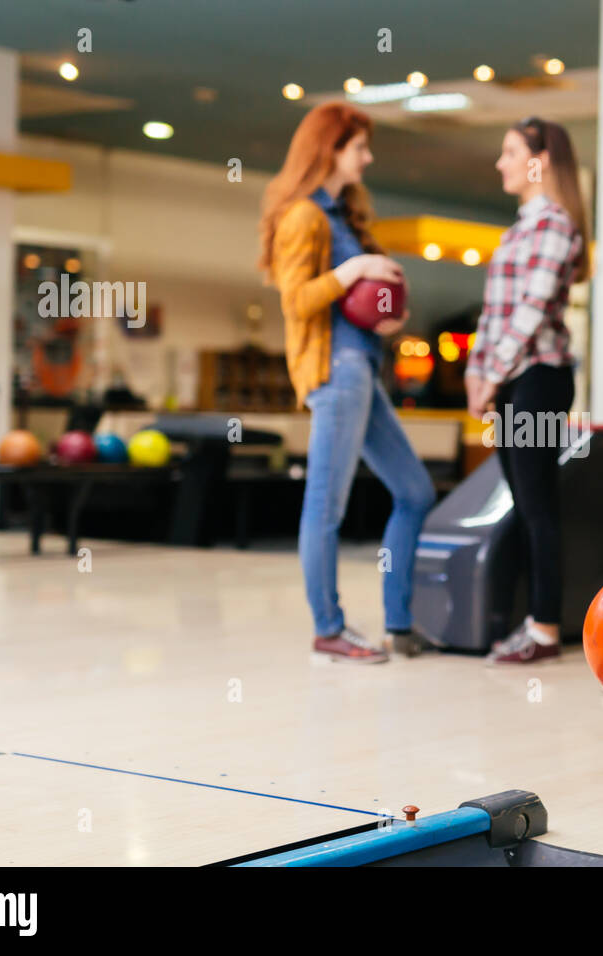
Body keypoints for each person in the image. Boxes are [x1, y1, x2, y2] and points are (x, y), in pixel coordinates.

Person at [259, 102, 437, 664]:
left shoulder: (343, 215)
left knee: (415, 492)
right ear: (329, 149)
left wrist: (387, 312)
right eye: (359, 146)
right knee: (325, 506)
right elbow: (295, 301)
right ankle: (328, 629)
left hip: (361, 367)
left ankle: (400, 624)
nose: (368, 156)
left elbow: (354, 306)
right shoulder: (304, 217)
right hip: (334, 373)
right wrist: (354, 271)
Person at [466, 117, 590, 665]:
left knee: (538, 506)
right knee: (521, 503)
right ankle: (518, 620)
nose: (501, 163)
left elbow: (531, 312)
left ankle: (544, 629)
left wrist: (491, 375)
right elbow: (493, 314)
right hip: (512, 377)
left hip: (539, 377)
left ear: (539, 160)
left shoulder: (556, 225)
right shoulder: (517, 229)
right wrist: (477, 372)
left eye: (511, 152)